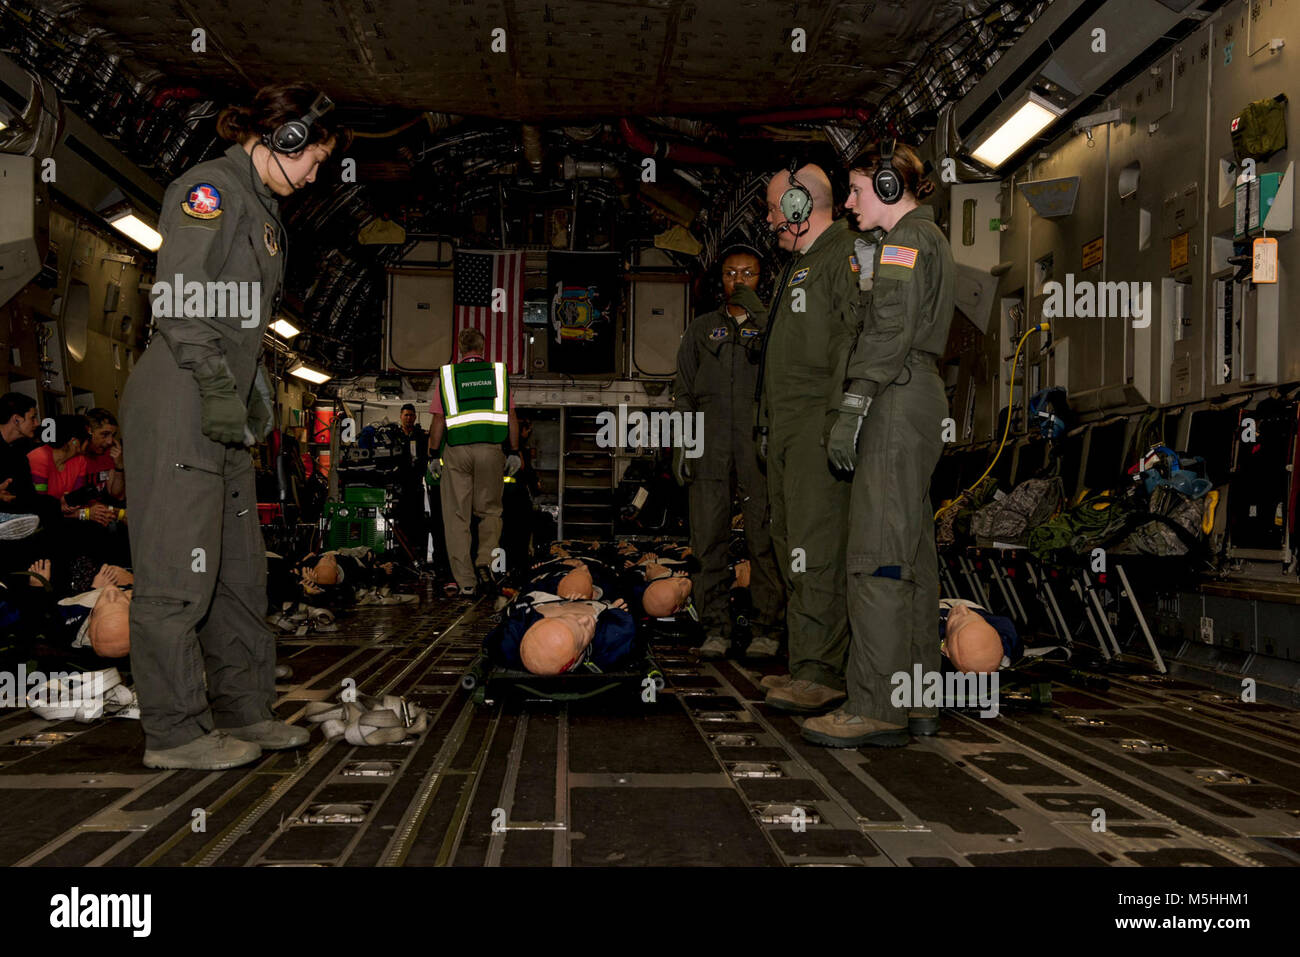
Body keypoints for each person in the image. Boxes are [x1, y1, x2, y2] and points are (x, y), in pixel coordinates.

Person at [121, 83, 344, 769]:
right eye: (314, 159)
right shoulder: (207, 192)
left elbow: (246, 324)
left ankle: (244, 709)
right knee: (178, 570)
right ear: (284, 140)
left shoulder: (263, 209)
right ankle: (176, 731)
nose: (315, 175)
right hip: (184, 395)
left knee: (239, 571)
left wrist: (248, 391)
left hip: (221, 402)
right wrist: (219, 386)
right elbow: (182, 298)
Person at [802, 141, 955, 748]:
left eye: (858, 189)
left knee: (876, 555)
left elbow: (890, 330)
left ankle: (875, 704)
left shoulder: (905, 242)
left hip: (894, 396)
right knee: (912, 556)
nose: (848, 201)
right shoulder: (921, 240)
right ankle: (916, 701)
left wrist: (856, 401)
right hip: (917, 395)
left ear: (891, 189)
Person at [754, 164, 860, 714]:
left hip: (817, 435)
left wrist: (842, 416)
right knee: (791, 545)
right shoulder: (803, 266)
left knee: (814, 551)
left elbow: (853, 340)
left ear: (799, 207)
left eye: (775, 208)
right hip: (790, 436)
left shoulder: (840, 259)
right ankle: (806, 661)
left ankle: (821, 671)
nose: (770, 219)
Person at [673, 245, 784, 660]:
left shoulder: (776, 328)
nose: (738, 281)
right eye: (731, 274)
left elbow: (789, 382)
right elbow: (682, 391)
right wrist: (684, 441)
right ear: (720, 281)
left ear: (762, 279)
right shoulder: (701, 330)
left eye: (749, 274)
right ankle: (715, 627)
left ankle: (767, 629)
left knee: (764, 538)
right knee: (708, 537)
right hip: (710, 443)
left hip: (758, 444)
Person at [427, 326, 520, 597]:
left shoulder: (448, 376)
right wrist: (514, 451)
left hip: (456, 451)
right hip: (491, 449)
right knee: (490, 511)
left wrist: (433, 455)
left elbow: (438, 420)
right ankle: (486, 564)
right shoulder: (497, 376)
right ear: (482, 348)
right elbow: (512, 417)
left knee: (457, 517)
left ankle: (466, 582)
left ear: (459, 349)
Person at [81, 408, 126, 505]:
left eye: (112, 435)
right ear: (89, 430)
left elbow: (117, 495)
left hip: (104, 512)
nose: (110, 441)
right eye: (104, 434)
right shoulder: (76, 456)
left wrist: (119, 466)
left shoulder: (109, 453)